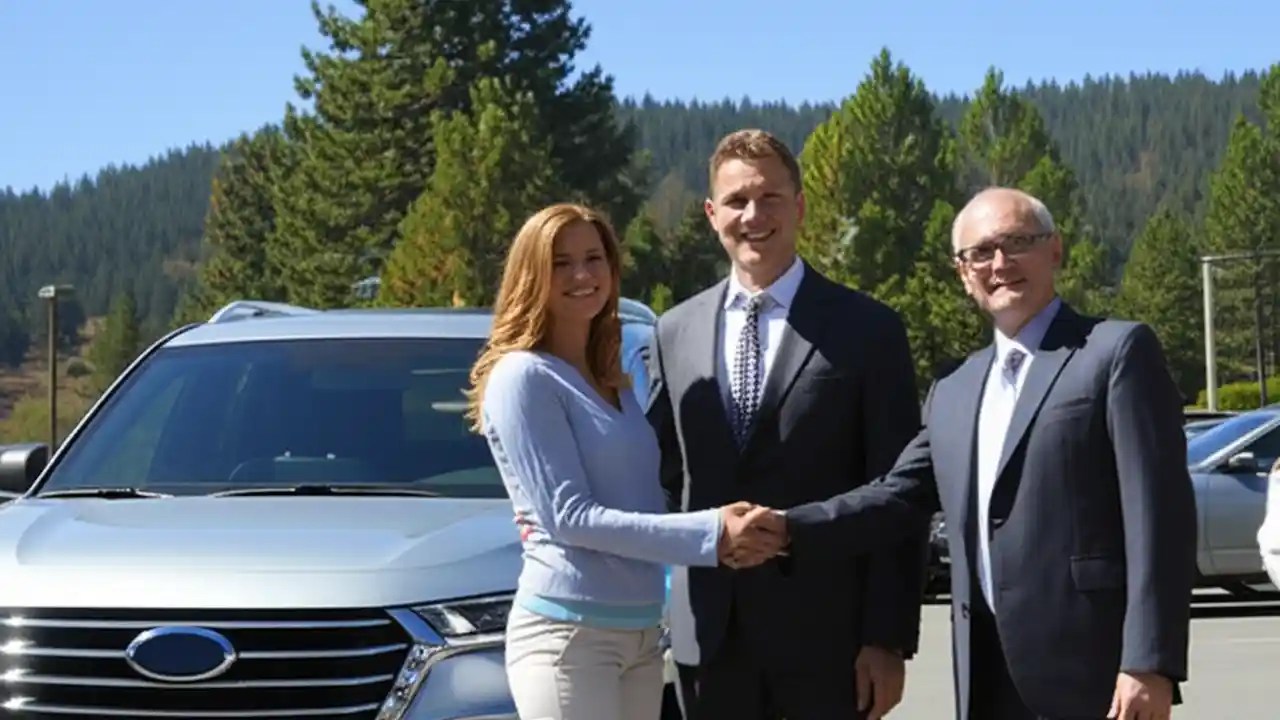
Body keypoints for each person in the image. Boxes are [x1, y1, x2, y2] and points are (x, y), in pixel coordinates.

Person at [765, 187, 1199, 720]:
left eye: (1018, 242)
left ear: (1055, 250)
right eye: (980, 252)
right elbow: (898, 497)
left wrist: (1149, 662)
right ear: (962, 272)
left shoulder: (1115, 353)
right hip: (986, 675)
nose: (1000, 263)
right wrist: (786, 528)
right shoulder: (954, 388)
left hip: (1096, 674)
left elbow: (1160, 517)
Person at [645, 129, 929, 720]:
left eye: (771, 198)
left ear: (799, 206)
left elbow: (903, 495)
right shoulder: (675, 332)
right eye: (737, 201)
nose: (754, 215)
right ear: (710, 214)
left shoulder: (868, 329)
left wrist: (887, 638)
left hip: (830, 647)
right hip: (709, 643)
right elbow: (665, 480)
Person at [468, 202, 783, 720]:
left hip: (640, 636)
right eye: (561, 262)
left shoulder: (611, 380)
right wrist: (710, 535)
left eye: (595, 258)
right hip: (568, 639)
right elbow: (570, 518)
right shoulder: (523, 376)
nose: (583, 274)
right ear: (532, 275)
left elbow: (643, 500)